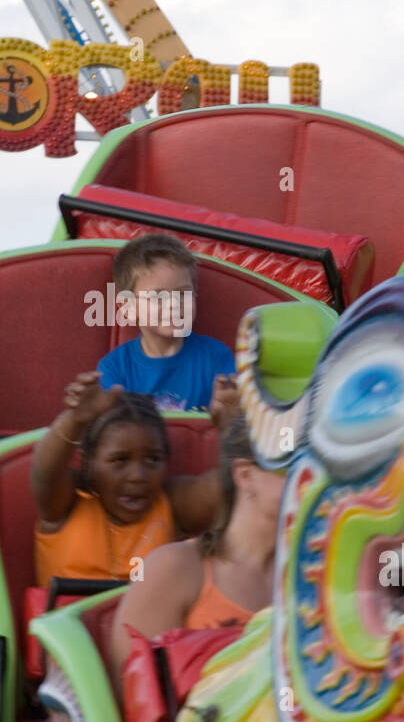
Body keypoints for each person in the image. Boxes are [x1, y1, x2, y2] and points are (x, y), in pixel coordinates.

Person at [109, 413, 285, 687]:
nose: (312, 479)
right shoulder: (173, 568)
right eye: (293, 466)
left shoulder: (315, 573)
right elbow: (139, 701)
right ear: (246, 475)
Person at [33, 372, 234, 588]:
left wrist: (232, 428)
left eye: (152, 460)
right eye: (120, 460)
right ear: (89, 462)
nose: (138, 476)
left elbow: (228, 487)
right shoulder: (63, 505)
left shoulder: (171, 505)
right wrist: (74, 420)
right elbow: (44, 473)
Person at [96, 234, 236, 413]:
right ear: (128, 307)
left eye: (183, 293)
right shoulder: (114, 368)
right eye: (157, 296)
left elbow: (231, 424)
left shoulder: (217, 357)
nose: (174, 304)